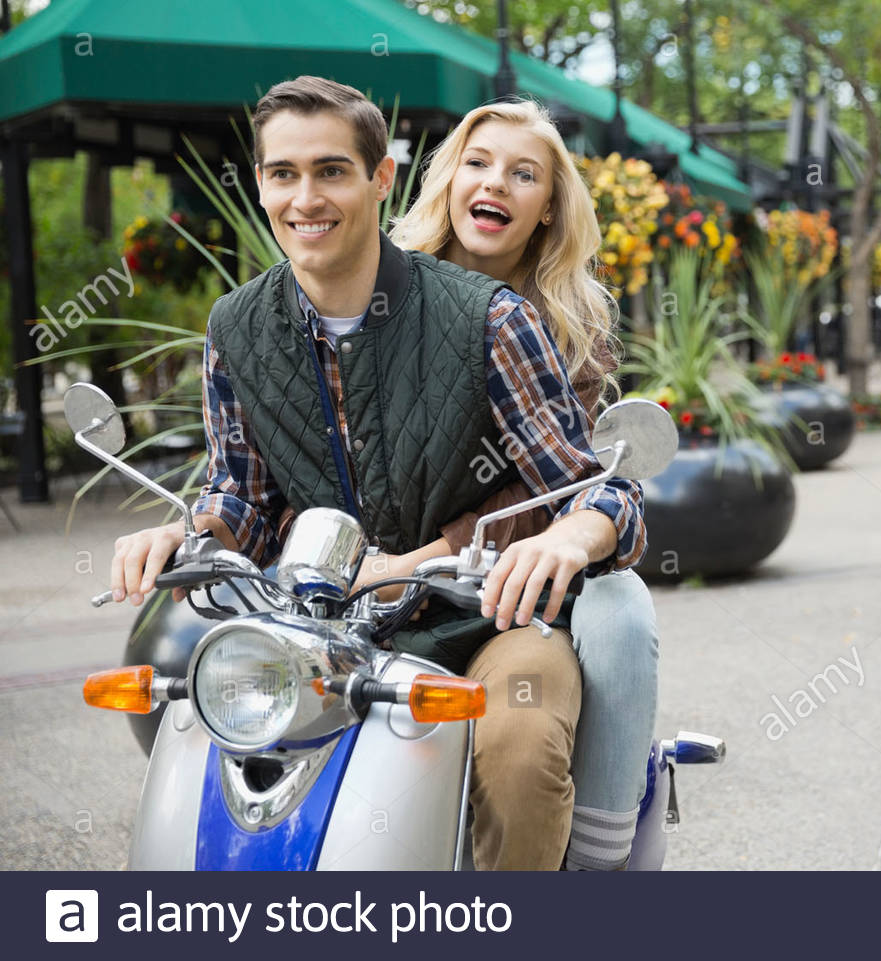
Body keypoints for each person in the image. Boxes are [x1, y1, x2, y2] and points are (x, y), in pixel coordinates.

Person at [107, 76, 646, 870]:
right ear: (259, 182)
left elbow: (595, 484)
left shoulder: (492, 316)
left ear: (380, 178)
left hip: (482, 620)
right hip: (321, 626)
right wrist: (183, 532)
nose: (306, 197)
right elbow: (241, 495)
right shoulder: (234, 327)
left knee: (522, 741)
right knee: (210, 734)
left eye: (331, 170)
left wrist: (576, 536)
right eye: (283, 173)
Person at [388, 99, 658, 872]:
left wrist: (428, 552)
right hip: (368, 594)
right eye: (477, 163)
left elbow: (565, 487)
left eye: (523, 173)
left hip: (500, 600)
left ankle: (594, 863)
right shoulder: (375, 302)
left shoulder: (570, 331)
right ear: (448, 182)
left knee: (609, 622)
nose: (496, 182)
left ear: (546, 210)